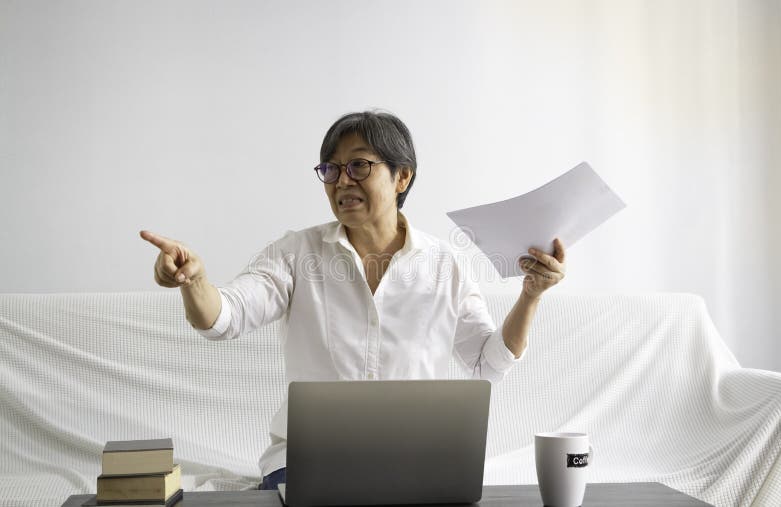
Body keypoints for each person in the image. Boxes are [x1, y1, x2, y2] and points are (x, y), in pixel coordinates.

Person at [140, 110, 566, 490]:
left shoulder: (445, 264)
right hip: (307, 462)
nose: (342, 181)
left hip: (415, 461)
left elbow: (487, 365)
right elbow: (226, 317)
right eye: (331, 169)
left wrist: (530, 296)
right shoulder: (295, 253)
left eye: (359, 165)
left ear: (402, 177)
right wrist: (193, 281)